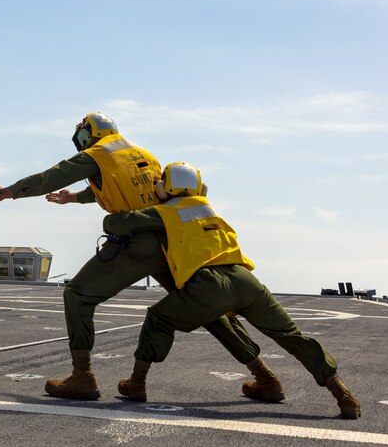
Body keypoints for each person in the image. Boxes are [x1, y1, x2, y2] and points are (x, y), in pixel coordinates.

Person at [0, 113, 282, 402]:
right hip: (170, 243)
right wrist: (74, 198)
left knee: (77, 295)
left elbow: (53, 176)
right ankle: (265, 376)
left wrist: (7, 192)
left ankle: (82, 376)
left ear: (89, 134)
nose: (81, 141)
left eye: (82, 135)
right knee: (206, 306)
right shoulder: (143, 155)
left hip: (135, 243)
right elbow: (120, 185)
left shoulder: (97, 154)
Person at [103, 162, 360, 419]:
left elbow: (116, 224)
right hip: (245, 280)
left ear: (167, 187)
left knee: (158, 318)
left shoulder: (163, 212)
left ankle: (137, 382)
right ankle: (342, 395)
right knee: (290, 335)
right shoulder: (208, 209)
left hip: (209, 283)